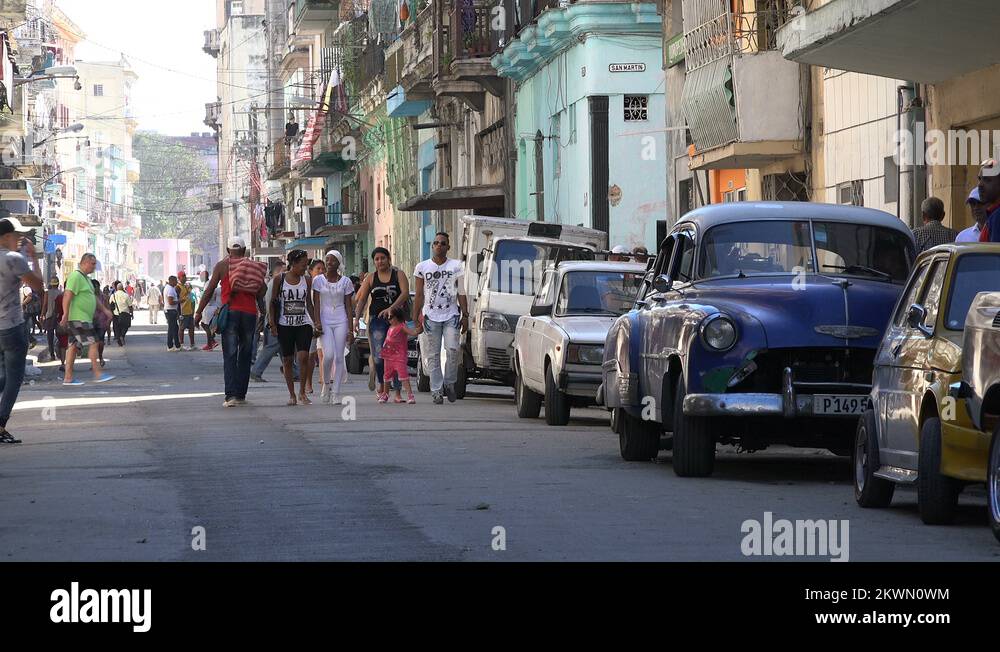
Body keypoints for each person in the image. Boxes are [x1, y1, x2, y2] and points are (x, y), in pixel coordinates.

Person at [194, 236, 267, 407]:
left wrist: (198, 312)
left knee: (230, 354)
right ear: (244, 250)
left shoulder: (222, 265)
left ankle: (230, 396)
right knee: (246, 353)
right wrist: (262, 313)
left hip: (231, 312)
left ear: (228, 251)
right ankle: (241, 394)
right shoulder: (251, 266)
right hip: (249, 313)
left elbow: (209, 290)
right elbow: (261, 291)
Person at [0, 217, 44, 443]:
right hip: (11, 326)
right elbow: (37, 285)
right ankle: (0, 425)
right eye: (16, 235)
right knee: (14, 379)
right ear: (6, 237)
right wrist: (33, 257)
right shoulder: (13, 258)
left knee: (3, 376)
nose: (19, 239)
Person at [412, 232, 469, 404]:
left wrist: (465, 315)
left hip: (451, 314)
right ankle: (436, 390)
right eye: (436, 243)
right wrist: (416, 317)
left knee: (453, 350)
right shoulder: (422, 267)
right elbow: (419, 294)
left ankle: (450, 383)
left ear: (448, 247)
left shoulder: (456, 266)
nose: (439, 245)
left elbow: (461, 292)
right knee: (433, 354)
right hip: (430, 316)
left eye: (442, 243)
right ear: (432, 246)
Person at [353, 247, 409, 401]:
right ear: (374, 262)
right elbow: (362, 299)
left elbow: (405, 293)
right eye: (376, 259)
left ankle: (397, 393)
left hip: (396, 321)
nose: (380, 261)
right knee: (378, 356)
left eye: (382, 258)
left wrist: (391, 308)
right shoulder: (371, 278)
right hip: (377, 321)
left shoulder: (398, 274)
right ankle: (383, 387)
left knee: (396, 357)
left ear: (388, 258)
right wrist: (357, 319)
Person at [268, 249, 315, 406]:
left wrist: (316, 322)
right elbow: (272, 302)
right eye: (302, 265)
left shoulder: (307, 280)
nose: (305, 268)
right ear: (293, 264)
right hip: (285, 325)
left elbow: (309, 303)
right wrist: (273, 324)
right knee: (287, 360)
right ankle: (292, 394)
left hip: (303, 324)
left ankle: (302, 392)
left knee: (303, 357)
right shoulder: (279, 279)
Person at [61, 253, 115, 386]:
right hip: (79, 318)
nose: (94, 266)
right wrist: (65, 314)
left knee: (73, 346)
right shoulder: (76, 276)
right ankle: (97, 373)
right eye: (92, 263)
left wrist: (105, 310)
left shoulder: (86, 279)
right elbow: (67, 295)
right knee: (93, 342)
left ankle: (68, 377)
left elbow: (93, 298)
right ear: (84, 262)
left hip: (83, 317)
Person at [312, 250, 354, 405]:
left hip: (341, 319)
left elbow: (349, 306)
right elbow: (316, 304)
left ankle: (336, 392)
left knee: (339, 357)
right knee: (328, 355)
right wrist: (317, 322)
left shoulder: (346, 282)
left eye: (333, 260)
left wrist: (350, 329)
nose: (329, 263)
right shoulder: (318, 280)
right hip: (324, 320)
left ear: (338, 263)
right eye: (327, 260)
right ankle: (326, 384)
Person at [250, 262, 297, 382]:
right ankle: (256, 371)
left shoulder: (275, 283)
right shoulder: (276, 283)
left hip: (277, 321)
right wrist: (273, 323)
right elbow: (272, 305)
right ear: (280, 271)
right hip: (276, 322)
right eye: (285, 270)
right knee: (271, 347)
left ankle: (295, 372)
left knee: (285, 350)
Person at [380, 305, 416, 404]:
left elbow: (412, 332)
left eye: (391, 317)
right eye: (388, 317)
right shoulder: (391, 327)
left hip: (399, 356)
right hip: (388, 355)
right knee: (387, 376)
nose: (389, 319)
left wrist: (419, 329)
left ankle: (410, 395)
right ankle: (385, 394)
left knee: (403, 375)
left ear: (397, 317)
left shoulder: (402, 326)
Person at [303, 258, 326, 395]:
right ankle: (308, 382)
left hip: (325, 322)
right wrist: (314, 322)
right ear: (310, 271)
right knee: (310, 355)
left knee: (324, 353)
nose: (321, 271)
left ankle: (325, 381)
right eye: (318, 269)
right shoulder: (307, 286)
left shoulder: (327, 285)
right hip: (311, 323)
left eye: (323, 269)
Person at [41, 276, 63, 364]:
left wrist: (42, 314)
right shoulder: (61, 293)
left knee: (50, 337)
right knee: (60, 336)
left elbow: (45, 305)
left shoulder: (47, 293)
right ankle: (60, 352)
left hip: (49, 317)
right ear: (57, 284)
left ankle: (52, 354)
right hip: (58, 317)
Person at [978, 159, 1000, 242]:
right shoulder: (993, 215)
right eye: (979, 179)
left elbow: (994, 254)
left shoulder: (997, 217)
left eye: (987, 180)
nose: (980, 185)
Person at [91, 278, 111, 368]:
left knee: (101, 342)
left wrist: (108, 321)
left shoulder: (104, 297)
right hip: (91, 322)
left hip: (101, 322)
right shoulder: (88, 297)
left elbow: (108, 309)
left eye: (95, 287)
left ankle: (101, 357)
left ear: (98, 287)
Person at [177, 271, 196, 350]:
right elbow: (176, 300)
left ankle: (192, 345)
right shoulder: (177, 287)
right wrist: (178, 313)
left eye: (185, 276)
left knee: (191, 328)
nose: (185, 277)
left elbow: (191, 298)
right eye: (183, 276)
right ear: (179, 278)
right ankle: (181, 344)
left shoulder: (186, 286)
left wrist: (193, 310)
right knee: (182, 328)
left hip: (189, 311)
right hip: (183, 311)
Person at [110, 281, 133, 346]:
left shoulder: (113, 295)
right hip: (125, 314)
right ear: (123, 288)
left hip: (115, 314)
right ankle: (122, 335)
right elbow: (130, 306)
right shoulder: (126, 295)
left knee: (116, 327)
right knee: (125, 326)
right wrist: (132, 313)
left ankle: (118, 337)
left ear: (116, 288)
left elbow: (110, 304)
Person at [199, 283, 221, 351]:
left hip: (210, 308)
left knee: (207, 326)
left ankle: (210, 344)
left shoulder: (213, 289)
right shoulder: (216, 289)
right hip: (211, 307)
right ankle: (212, 341)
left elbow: (206, 298)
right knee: (204, 324)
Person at [163, 276, 182, 351]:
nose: (177, 282)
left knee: (175, 327)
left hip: (171, 310)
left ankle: (177, 345)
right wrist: (179, 301)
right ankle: (170, 346)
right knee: (172, 328)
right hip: (170, 310)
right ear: (171, 281)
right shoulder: (170, 289)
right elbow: (171, 302)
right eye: (175, 281)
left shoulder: (170, 288)